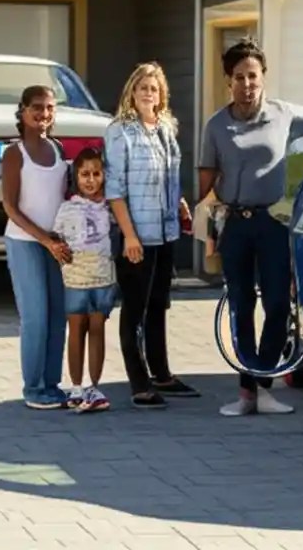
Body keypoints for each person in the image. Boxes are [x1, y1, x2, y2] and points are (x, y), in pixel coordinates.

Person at [198, 37, 303, 417]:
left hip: (272, 223)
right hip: (234, 225)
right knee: (241, 306)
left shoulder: (282, 114)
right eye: (239, 77)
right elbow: (205, 181)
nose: (247, 84)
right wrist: (205, 226)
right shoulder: (216, 126)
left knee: (277, 304)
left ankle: (264, 385)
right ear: (229, 81)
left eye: (253, 76)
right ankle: (245, 393)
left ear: (263, 76)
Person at [104, 61, 195, 409]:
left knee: (158, 304)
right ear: (132, 91)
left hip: (165, 232)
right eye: (142, 87)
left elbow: (168, 176)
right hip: (137, 235)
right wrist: (129, 236)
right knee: (135, 309)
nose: (148, 93)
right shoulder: (120, 132)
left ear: (161, 95)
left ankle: (162, 375)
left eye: (154, 88)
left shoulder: (165, 130)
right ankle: (139, 384)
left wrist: (180, 203)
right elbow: (115, 190)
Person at [1, 85, 73, 410]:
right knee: (36, 318)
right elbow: (10, 207)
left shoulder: (58, 149)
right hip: (25, 242)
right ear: (23, 111)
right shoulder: (14, 153)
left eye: (49, 108)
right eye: (37, 107)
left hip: (56, 245)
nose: (44, 114)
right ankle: (33, 388)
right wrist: (45, 239)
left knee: (58, 316)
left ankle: (51, 385)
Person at [52, 147, 116, 413]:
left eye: (96, 174)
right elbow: (56, 238)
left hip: (103, 277)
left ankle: (94, 386)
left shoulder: (111, 207)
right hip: (75, 277)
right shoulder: (67, 208)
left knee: (97, 328)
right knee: (76, 328)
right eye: (84, 174)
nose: (90, 180)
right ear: (75, 177)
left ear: (104, 176)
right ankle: (76, 387)